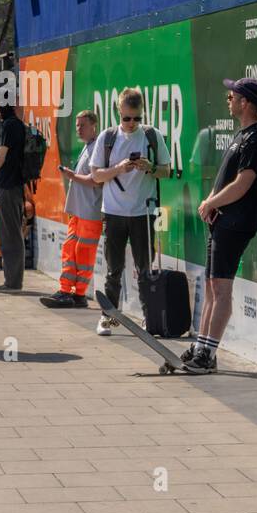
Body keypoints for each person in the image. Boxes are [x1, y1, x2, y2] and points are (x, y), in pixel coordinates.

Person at [181, 78, 257, 373]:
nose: (228, 100)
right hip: (223, 221)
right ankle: (201, 346)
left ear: (245, 102)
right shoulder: (242, 134)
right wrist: (210, 201)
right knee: (212, 288)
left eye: (232, 96)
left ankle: (207, 354)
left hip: (236, 222)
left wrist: (212, 203)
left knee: (221, 289)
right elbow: (226, 177)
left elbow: (244, 183)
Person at [89, 87, 172, 336]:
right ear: (118, 112)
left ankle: (149, 319)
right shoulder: (107, 137)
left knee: (144, 270)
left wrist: (149, 167)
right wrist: (119, 169)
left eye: (137, 118)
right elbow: (95, 175)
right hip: (113, 212)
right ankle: (109, 318)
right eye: (127, 118)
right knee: (114, 271)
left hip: (143, 213)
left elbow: (166, 171)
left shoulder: (151, 135)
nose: (131, 123)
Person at [40, 110, 103, 308]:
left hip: (89, 211)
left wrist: (72, 176)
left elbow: (95, 180)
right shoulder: (89, 147)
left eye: (82, 125)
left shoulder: (95, 148)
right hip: (80, 210)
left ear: (94, 126)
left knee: (82, 252)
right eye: (77, 125)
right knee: (72, 250)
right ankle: (69, 291)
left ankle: (75, 293)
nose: (79, 129)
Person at [0, 103, 26, 293]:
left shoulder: (9, 125)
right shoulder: (17, 124)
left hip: (6, 186)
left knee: (9, 235)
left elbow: (1, 156)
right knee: (12, 233)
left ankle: (12, 283)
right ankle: (13, 280)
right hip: (14, 185)